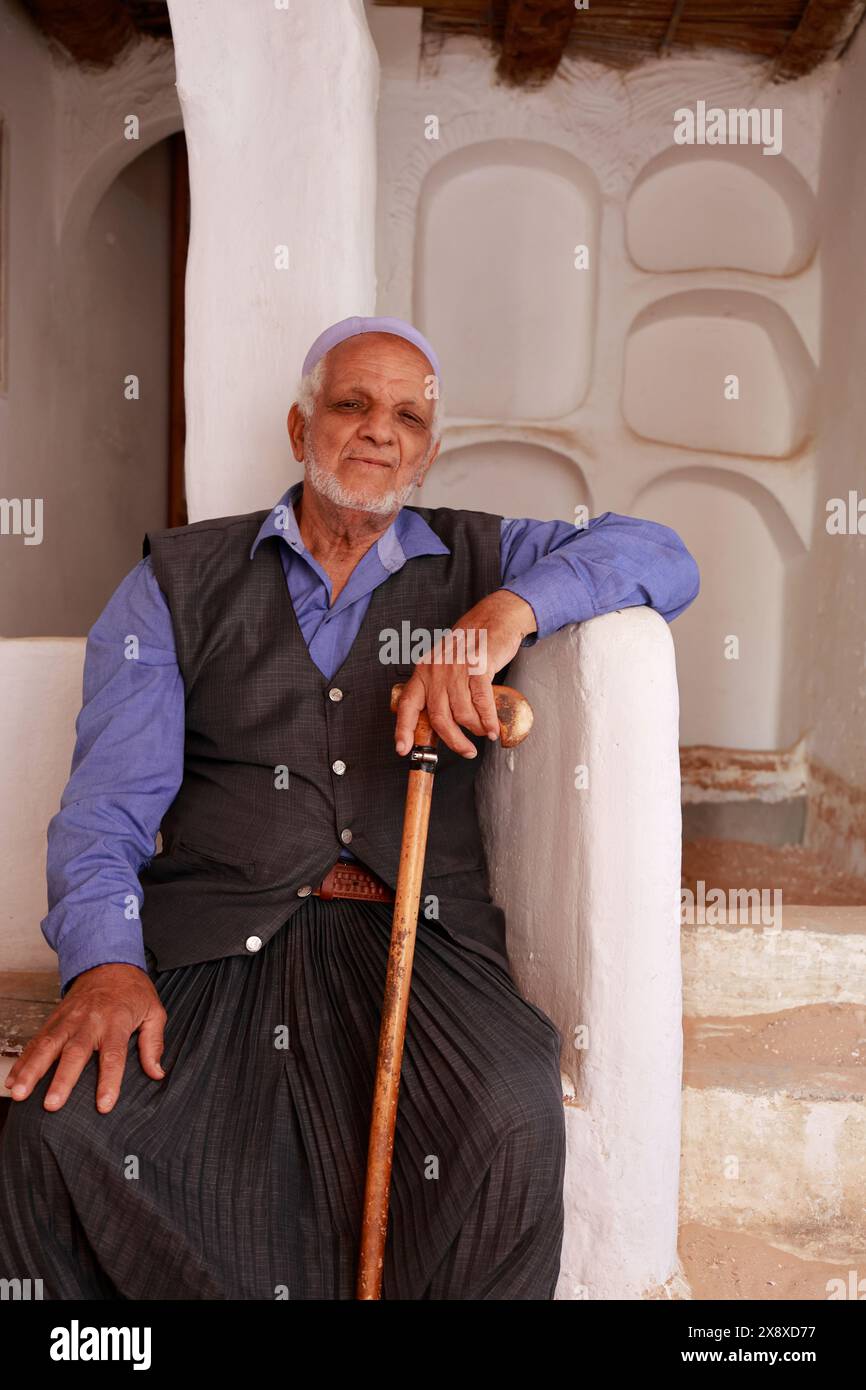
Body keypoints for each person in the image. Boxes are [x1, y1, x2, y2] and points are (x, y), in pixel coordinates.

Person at [0, 316, 700, 1299]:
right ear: (301, 428)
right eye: (352, 404)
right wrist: (106, 964)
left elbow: (663, 553)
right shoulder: (174, 582)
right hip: (218, 940)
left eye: (409, 417)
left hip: (419, 934)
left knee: (510, 1114)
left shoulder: (483, 554)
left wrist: (503, 613)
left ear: (428, 452)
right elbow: (106, 808)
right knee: (60, 1133)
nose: (380, 430)